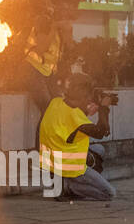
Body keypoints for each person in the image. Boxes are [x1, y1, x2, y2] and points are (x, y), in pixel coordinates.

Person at [39, 72, 115, 201]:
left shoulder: (55, 103)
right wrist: (103, 108)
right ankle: (68, 186)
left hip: (52, 164)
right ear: (82, 93)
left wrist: (88, 110)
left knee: (99, 149)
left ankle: (64, 182)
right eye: (88, 94)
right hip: (68, 165)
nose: (89, 98)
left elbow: (69, 123)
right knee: (110, 193)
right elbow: (102, 132)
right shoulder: (76, 116)